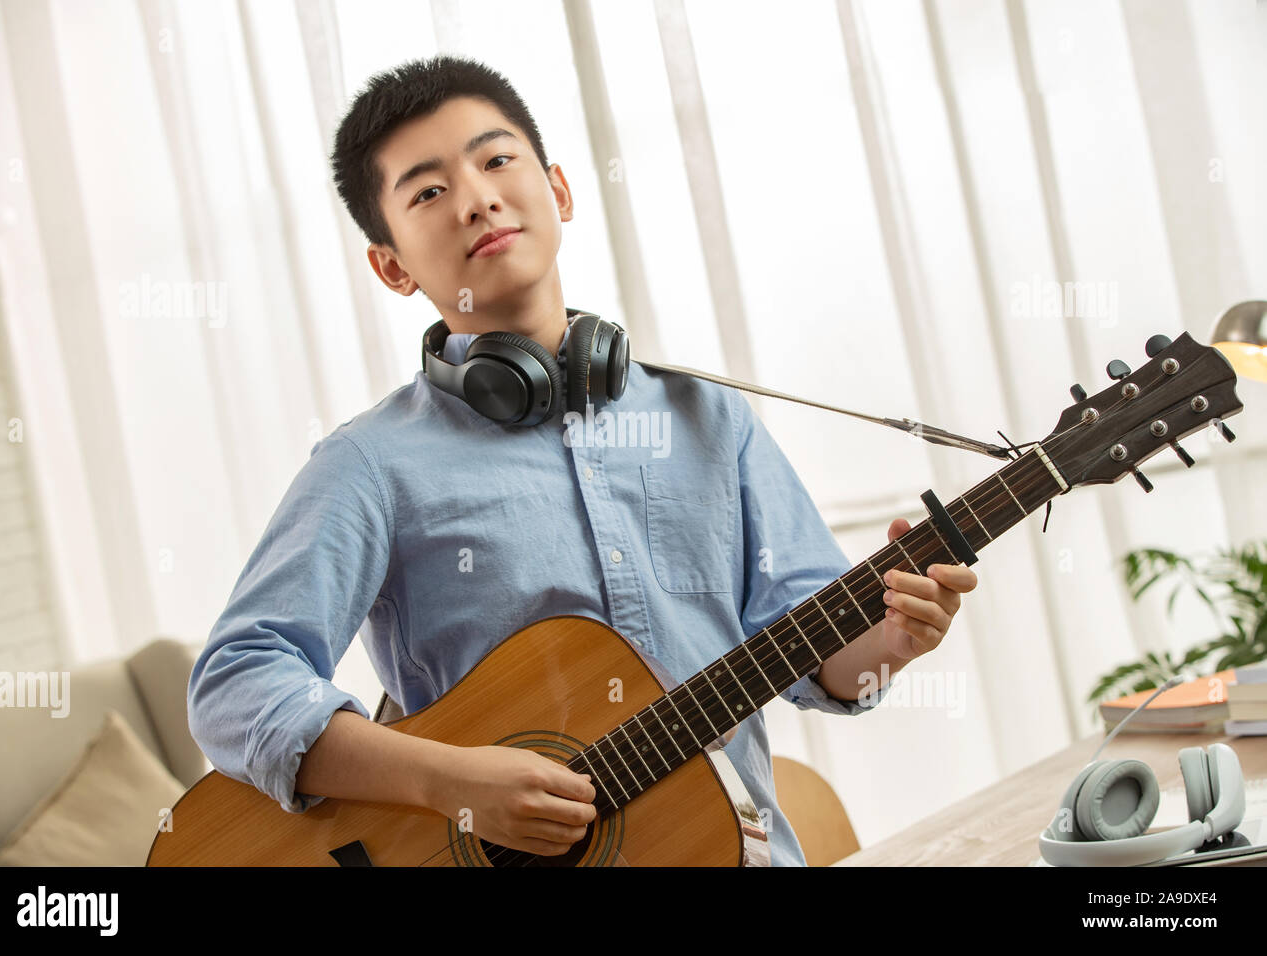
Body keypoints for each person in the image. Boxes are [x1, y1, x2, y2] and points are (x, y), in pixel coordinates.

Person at [186, 54, 979, 866]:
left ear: (559, 191)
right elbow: (235, 684)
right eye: (427, 192)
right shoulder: (367, 465)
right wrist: (446, 781)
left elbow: (823, 658)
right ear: (391, 265)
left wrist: (891, 639)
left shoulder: (707, 417)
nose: (477, 199)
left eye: (497, 160)